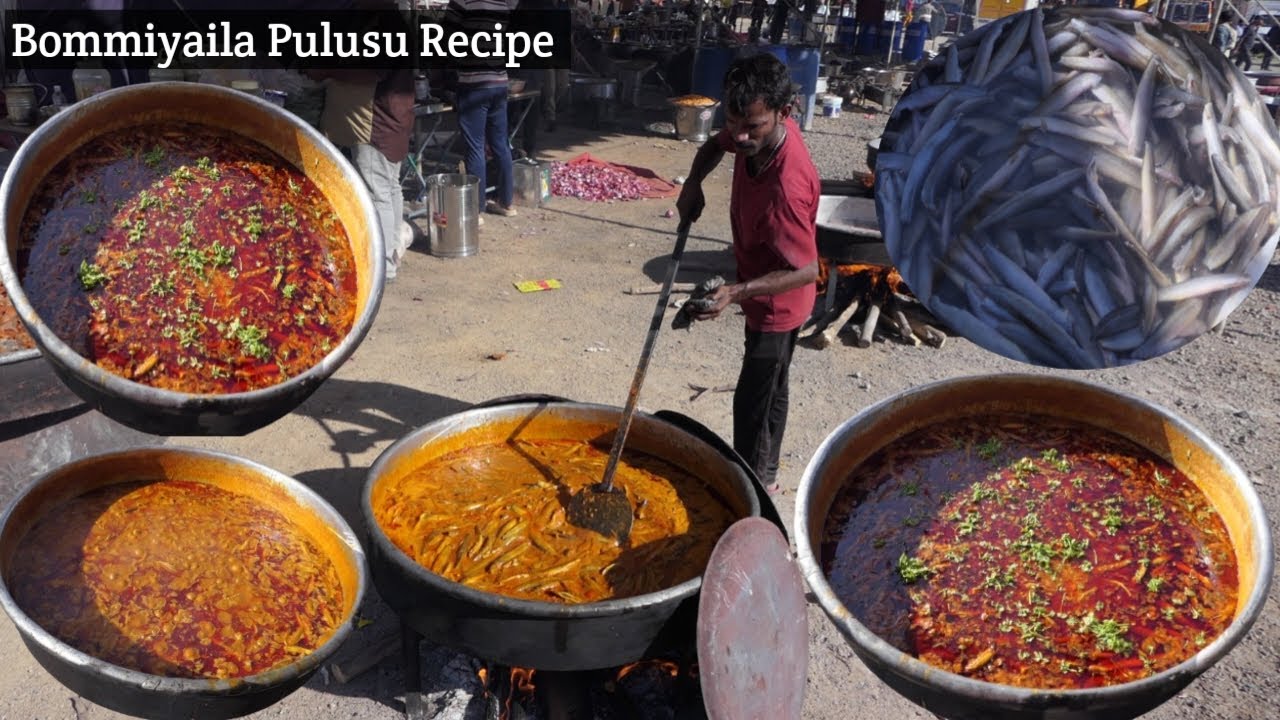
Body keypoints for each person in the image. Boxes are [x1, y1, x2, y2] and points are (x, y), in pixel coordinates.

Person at [675, 53, 819, 494]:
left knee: (753, 403)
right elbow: (715, 144)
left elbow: (807, 269)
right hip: (757, 281)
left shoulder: (787, 188)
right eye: (733, 120)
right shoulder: (747, 130)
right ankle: (767, 475)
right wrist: (692, 184)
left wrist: (735, 293)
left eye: (752, 126)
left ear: (783, 113)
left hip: (780, 300)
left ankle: (754, 493)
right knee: (770, 387)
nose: (739, 135)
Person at [446, 0, 519, 218]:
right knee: (500, 144)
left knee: (475, 147)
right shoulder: (503, 3)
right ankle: (506, 203)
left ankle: (475, 211)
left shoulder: (462, 2)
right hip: (499, 82)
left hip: (474, 83)